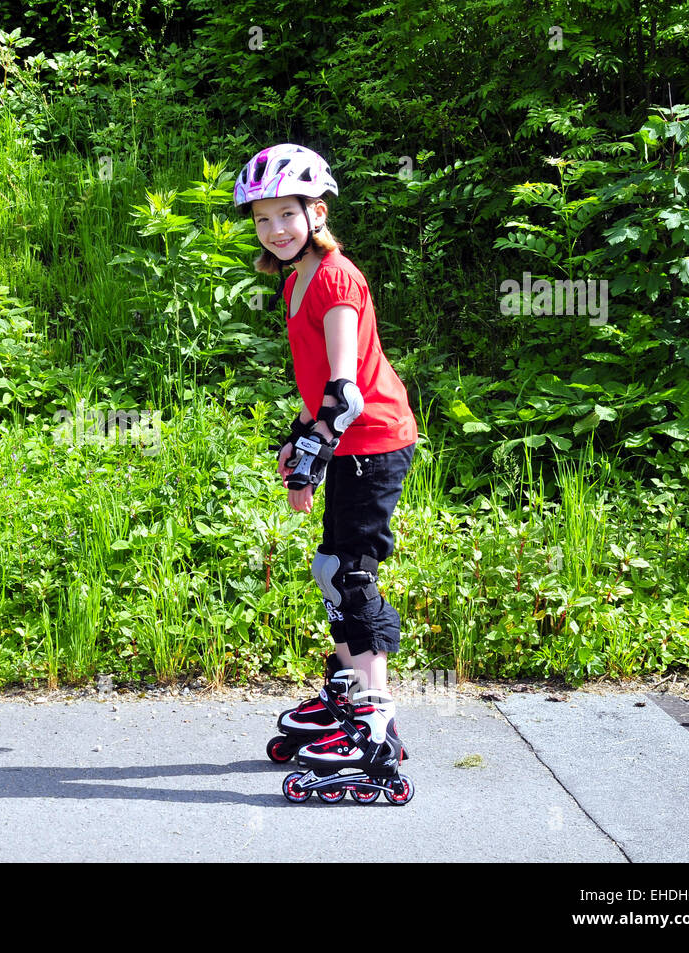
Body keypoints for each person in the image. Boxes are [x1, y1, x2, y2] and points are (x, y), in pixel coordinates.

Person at [235, 144, 418, 789]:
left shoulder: (338, 277)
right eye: (262, 219)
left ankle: (372, 727)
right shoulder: (296, 279)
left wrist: (311, 456)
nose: (275, 230)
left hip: (371, 439)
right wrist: (302, 438)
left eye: (287, 215)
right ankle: (349, 699)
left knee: (352, 575)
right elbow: (322, 396)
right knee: (332, 568)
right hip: (348, 440)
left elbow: (346, 391)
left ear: (317, 212)